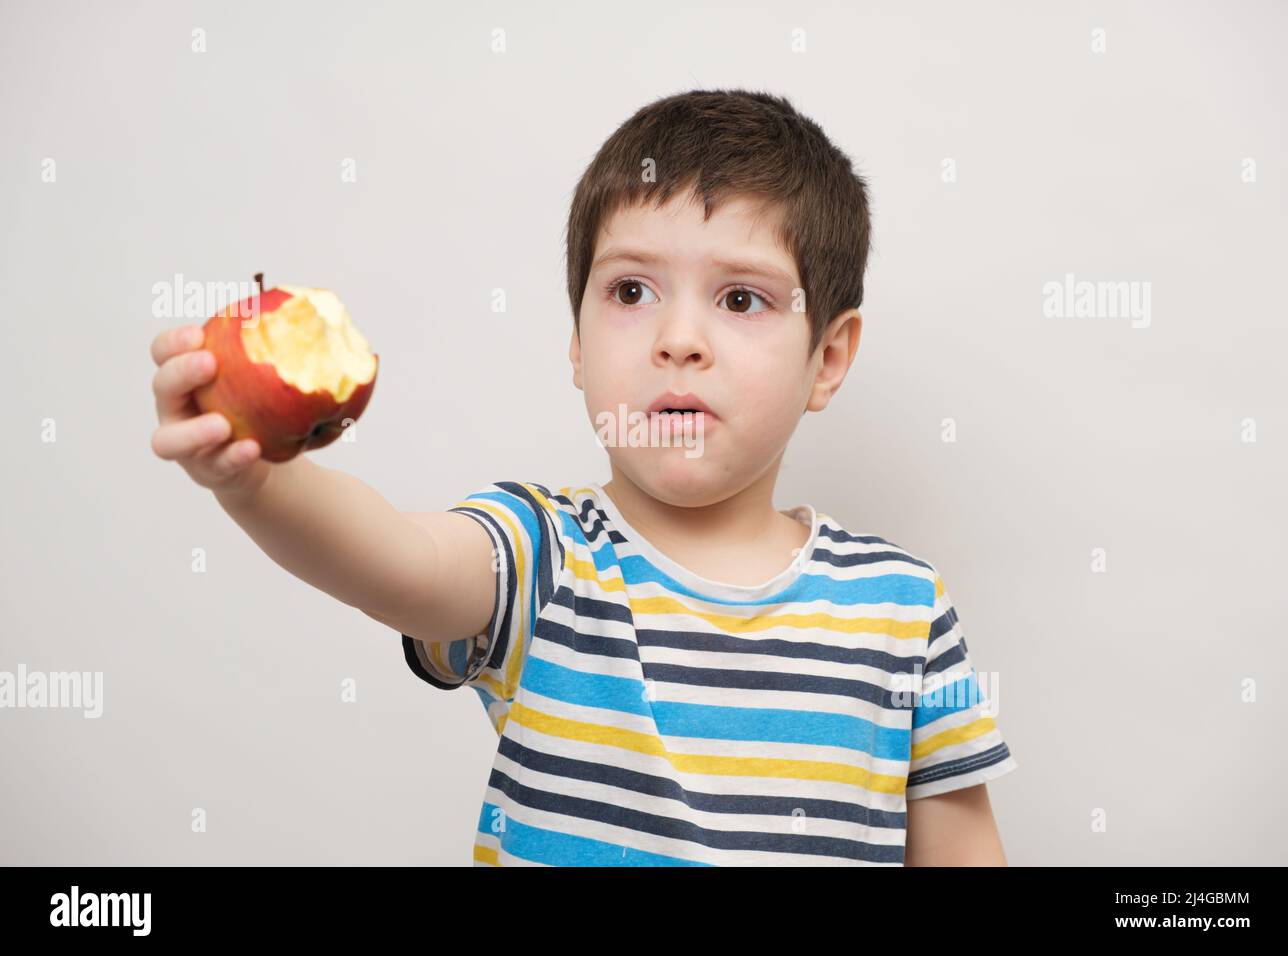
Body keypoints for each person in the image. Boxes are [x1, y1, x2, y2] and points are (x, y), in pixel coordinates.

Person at [149, 88, 1017, 866]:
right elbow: (400, 561)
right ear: (576, 342)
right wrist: (256, 481)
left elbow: (963, 848)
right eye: (631, 292)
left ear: (827, 358)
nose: (678, 339)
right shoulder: (545, 555)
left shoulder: (904, 608)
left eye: (740, 299)